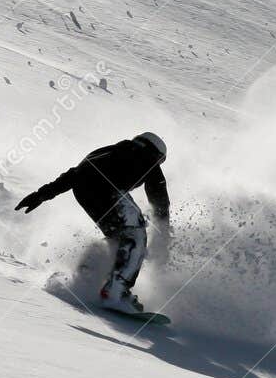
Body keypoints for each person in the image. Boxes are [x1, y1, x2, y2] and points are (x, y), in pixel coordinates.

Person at [14, 132, 170, 315]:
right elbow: (159, 197)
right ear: (156, 154)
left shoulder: (108, 150)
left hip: (83, 191)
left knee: (117, 237)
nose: (157, 166)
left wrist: (41, 195)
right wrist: (163, 229)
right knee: (135, 234)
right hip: (109, 190)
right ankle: (117, 292)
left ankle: (86, 276)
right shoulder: (147, 158)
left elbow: (75, 173)